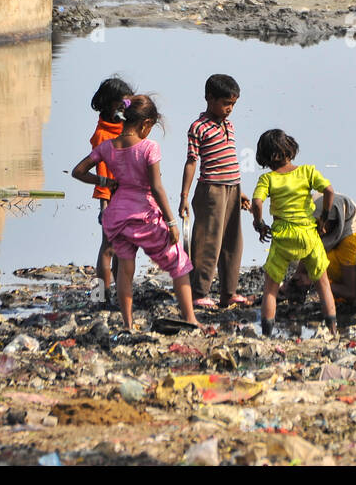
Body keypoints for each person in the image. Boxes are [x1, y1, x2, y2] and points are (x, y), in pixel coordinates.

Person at [72, 94, 197, 331]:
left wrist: (105, 182)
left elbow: (77, 171)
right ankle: (190, 318)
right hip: (145, 217)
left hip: (117, 216)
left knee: (126, 271)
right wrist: (171, 222)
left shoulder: (107, 147)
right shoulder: (149, 147)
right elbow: (156, 188)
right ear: (145, 124)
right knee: (179, 264)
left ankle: (128, 324)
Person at [248, 129, 336, 337]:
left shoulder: (267, 179)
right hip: (308, 234)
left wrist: (259, 223)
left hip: (283, 236)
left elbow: (257, 202)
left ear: (265, 157)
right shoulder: (307, 171)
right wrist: (323, 217)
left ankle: (267, 333)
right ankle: (332, 329)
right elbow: (329, 191)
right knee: (323, 283)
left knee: (270, 287)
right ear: (290, 149)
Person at [179, 74, 252, 309]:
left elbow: (229, 159)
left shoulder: (228, 125)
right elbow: (191, 162)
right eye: (225, 103)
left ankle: (228, 293)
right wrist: (184, 197)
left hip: (232, 188)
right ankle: (199, 292)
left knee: (233, 241)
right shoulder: (198, 127)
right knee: (208, 242)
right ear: (209, 98)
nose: (229, 109)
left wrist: (239, 192)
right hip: (211, 190)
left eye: (233, 105)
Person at [88, 76, 133, 306]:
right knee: (108, 248)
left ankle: (113, 292)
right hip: (112, 197)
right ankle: (101, 296)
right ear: (108, 104)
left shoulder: (121, 128)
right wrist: (104, 206)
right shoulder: (103, 135)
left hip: (126, 195)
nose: (123, 110)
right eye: (120, 105)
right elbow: (103, 174)